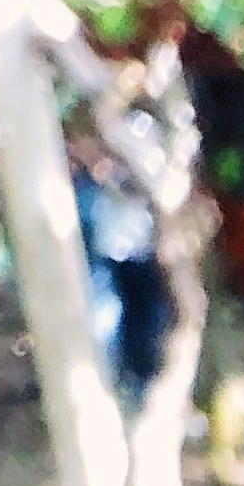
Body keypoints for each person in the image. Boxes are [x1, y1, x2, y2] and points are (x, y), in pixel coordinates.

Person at [80, 152, 166, 401]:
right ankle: (116, 379)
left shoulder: (144, 158)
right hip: (114, 250)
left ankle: (136, 382)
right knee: (115, 315)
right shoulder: (89, 185)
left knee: (145, 318)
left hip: (139, 251)